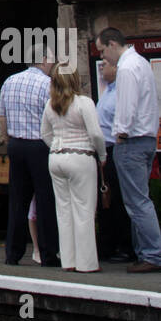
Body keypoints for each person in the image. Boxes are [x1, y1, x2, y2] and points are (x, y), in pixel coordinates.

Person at [96, 28, 161, 273]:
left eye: (103, 50)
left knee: (137, 202)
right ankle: (144, 252)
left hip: (131, 141)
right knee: (141, 199)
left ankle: (152, 254)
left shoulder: (125, 68)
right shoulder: (141, 62)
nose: (103, 57)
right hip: (147, 138)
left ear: (112, 44)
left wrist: (120, 133)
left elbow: (126, 106)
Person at [41, 65, 106, 272]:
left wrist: (56, 147)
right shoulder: (84, 103)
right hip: (81, 156)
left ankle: (68, 260)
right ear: (75, 79)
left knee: (63, 211)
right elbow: (95, 134)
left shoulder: (50, 105)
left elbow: (45, 134)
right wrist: (102, 155)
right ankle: (86, 263)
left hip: (56, 158)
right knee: (84, 210)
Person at [0, 53, 59, 266]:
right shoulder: (47, 84)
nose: (53, 63)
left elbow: (1, 114)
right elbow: (53, 116)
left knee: (17, 200)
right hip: (40, 145)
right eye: (51, 59)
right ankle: (48, 254)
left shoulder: (10, 81)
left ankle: (12, 254)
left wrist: (6, 136)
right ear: (43, 59)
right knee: (45, 199)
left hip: (16, 145)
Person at [94, 49, 134, 262]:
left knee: (118, 199)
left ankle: (125, 246)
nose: (102, 66)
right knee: (106, 200)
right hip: (104, 151)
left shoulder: (119, 92)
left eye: (106, 63)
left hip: (113, 148)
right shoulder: (107, 90)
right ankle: (108, 244)